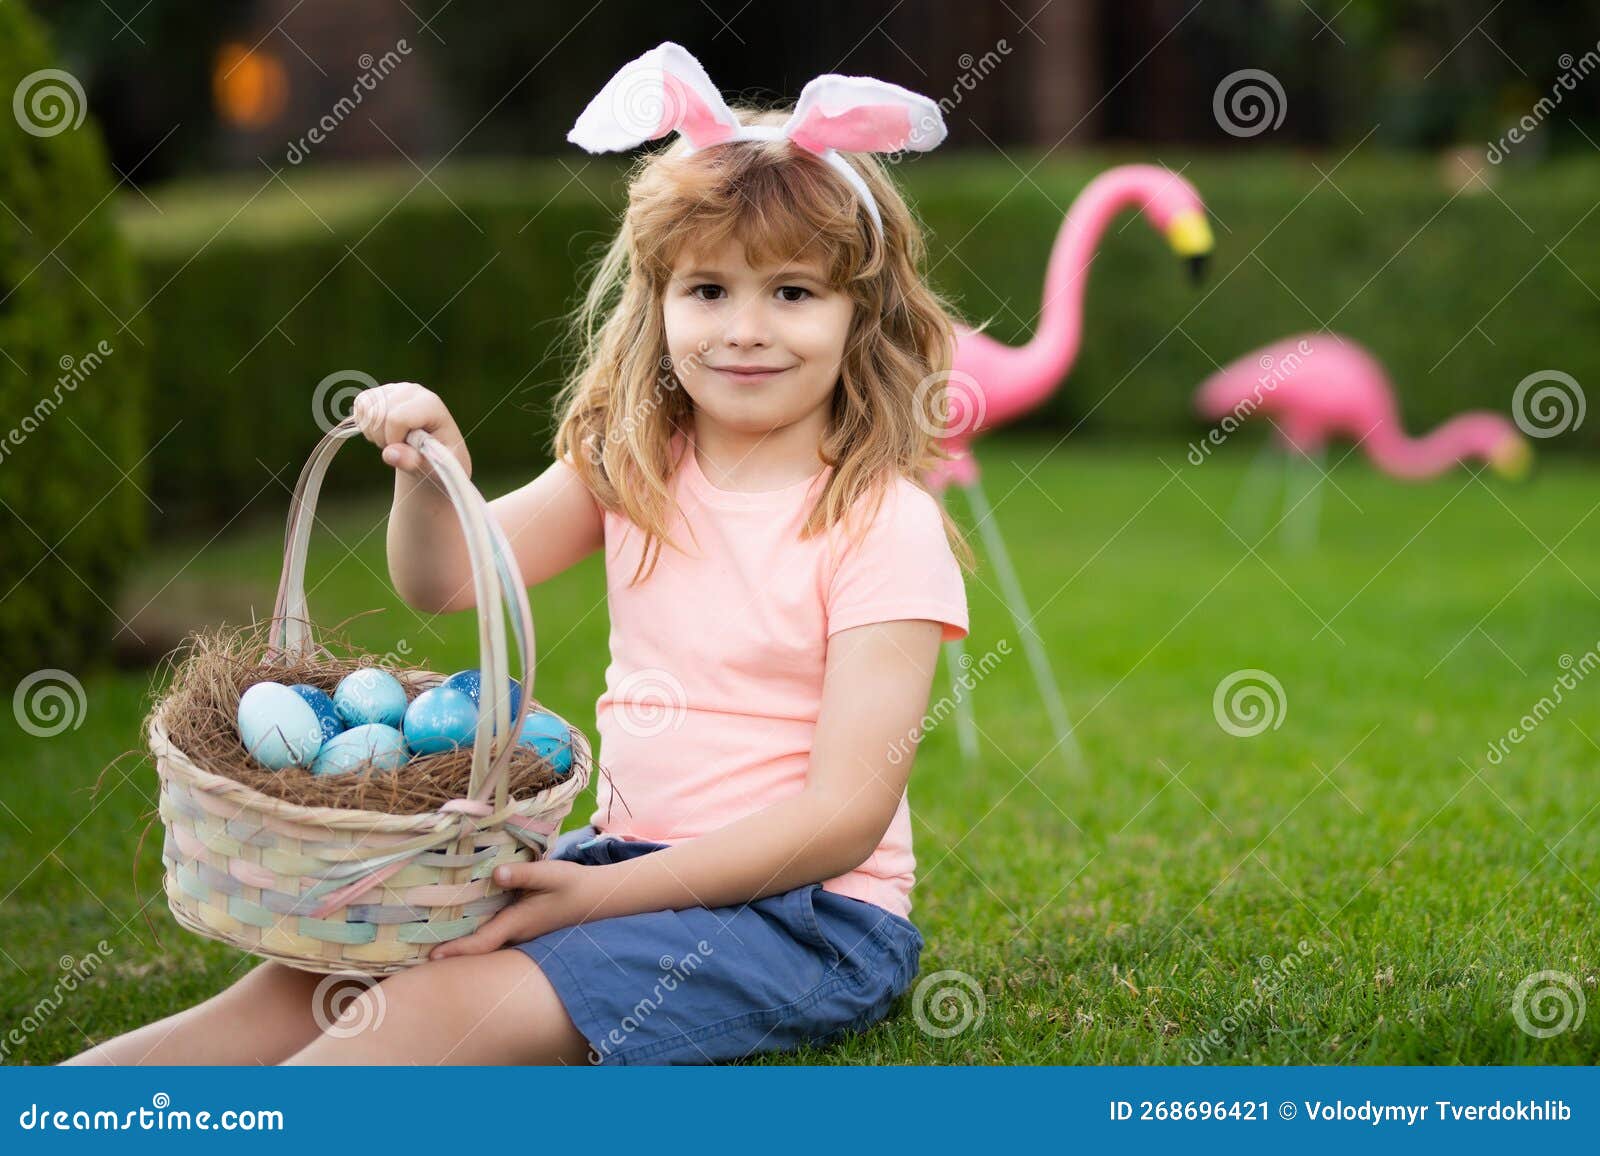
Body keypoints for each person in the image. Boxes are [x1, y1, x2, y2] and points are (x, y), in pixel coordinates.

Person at [64, 42, 973, 1067]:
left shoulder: (878, 521)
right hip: (621, 862)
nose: (745, 330)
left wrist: (594, 895)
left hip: (804, 917)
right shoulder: (634, 467)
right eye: (708, 290)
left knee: (418, 1015)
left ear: (861, 313)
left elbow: (843, 816)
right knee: (315, 979)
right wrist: (428, 472)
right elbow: (449, 579)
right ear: (659, 301)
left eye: (794, 294)